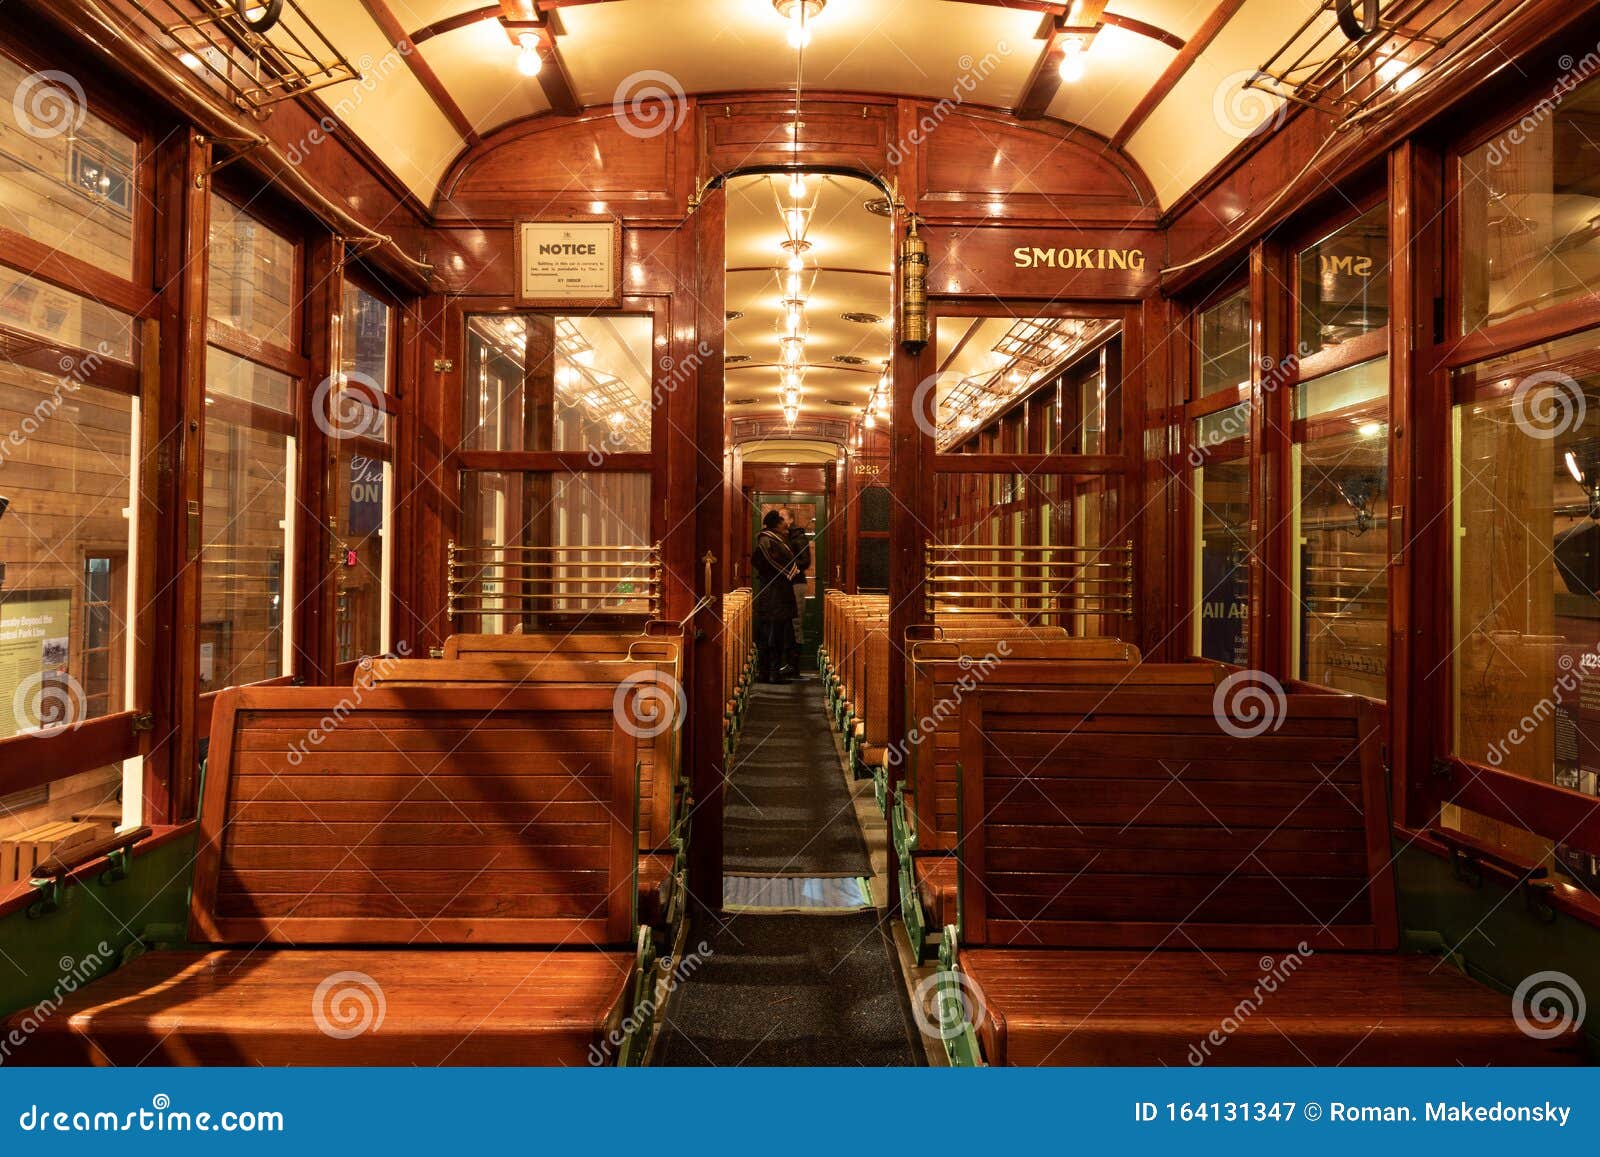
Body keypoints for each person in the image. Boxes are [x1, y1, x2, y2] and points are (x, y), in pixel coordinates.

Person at [752, 509, 799, 683]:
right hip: (775, 593)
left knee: (771, 634)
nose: (785, 525)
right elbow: (784, 565)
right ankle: (772, 673)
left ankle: (767, 672)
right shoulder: (769, 541)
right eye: (782, 522)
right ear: (776, 524)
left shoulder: (770, 540)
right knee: (773, 635)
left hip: (773, 592)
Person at [784, 512, 812, 674]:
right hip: (787, 584)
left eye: (783, 517)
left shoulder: (799, 538)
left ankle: (794, 665)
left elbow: (805, 561)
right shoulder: (785, 536)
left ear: (791, 520)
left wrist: (787, 566)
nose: (781, 520)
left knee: (796, 623)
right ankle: (788, 663)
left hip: (797, 583)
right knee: (787, 623)